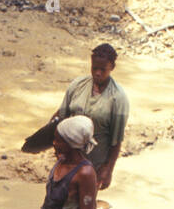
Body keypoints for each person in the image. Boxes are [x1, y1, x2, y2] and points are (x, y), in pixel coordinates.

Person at [22, 43, 129, 192]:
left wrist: (108, 170)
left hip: (94, 162)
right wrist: (49, 142)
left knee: (84, 204)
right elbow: (60, 116)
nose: (97, 73)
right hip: (68, 157)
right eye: (94, 68)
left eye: (102, 69)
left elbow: (116, 140)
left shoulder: (118, 98)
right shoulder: (77, 85)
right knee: (58, 197)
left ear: (112, 67)